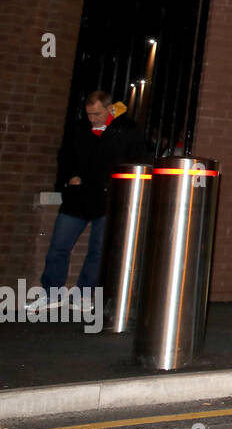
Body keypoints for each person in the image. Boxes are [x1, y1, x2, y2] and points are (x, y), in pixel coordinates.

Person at [26, 92, 150, 313]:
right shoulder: (81, 129)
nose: (93, 118)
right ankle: (52, 293)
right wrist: (68, 178)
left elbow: (138, 161)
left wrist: (116, 187)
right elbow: (64, 156)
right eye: (89, 114)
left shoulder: (127, 130)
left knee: (98, 250)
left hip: (107, 197)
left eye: (97, 113)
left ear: (110, 108)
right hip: (78, 195)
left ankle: (83, 294)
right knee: (59, 247)